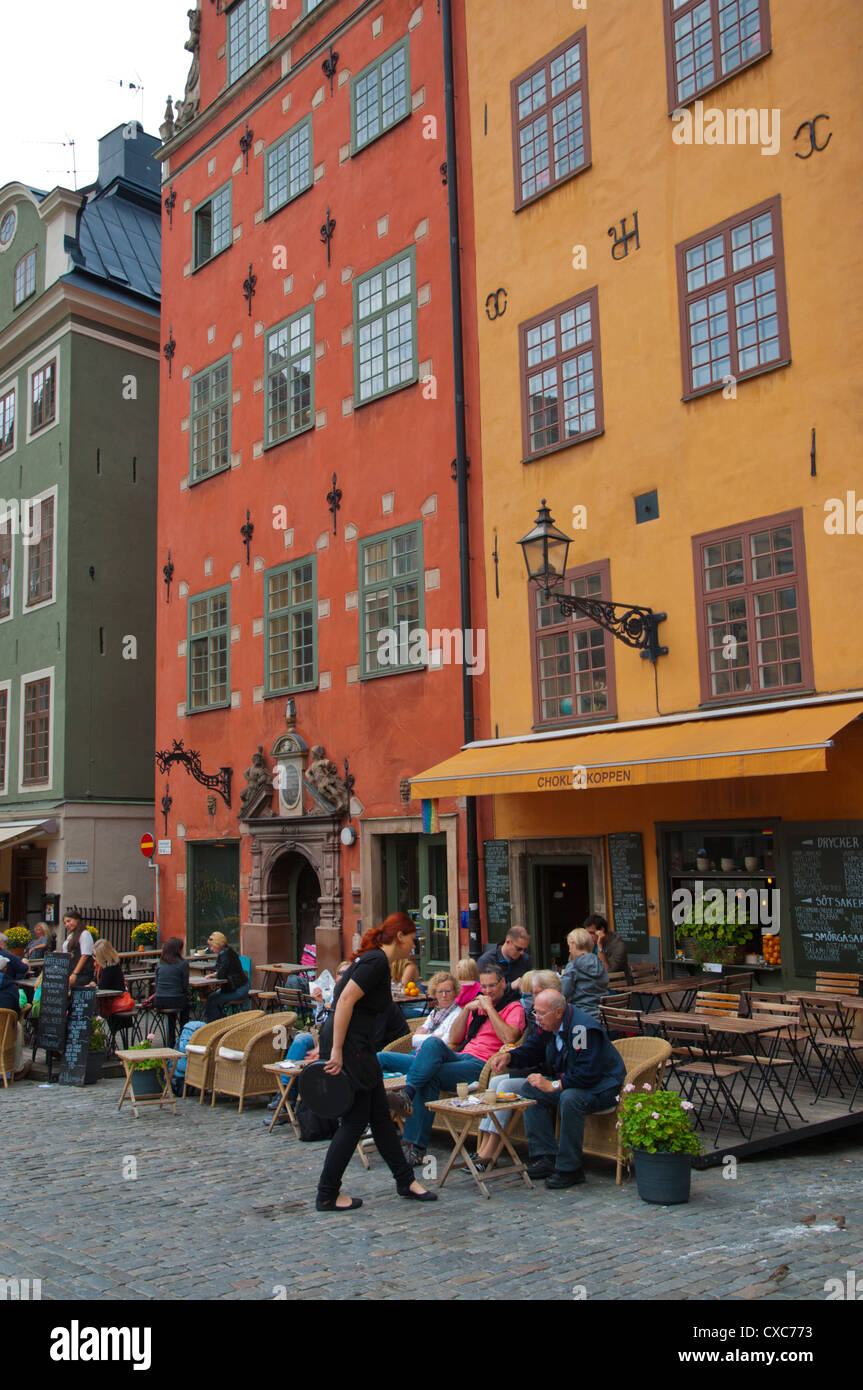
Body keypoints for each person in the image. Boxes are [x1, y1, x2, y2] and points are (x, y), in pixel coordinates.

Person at [315, 912, 436, 1211]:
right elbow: (343, 1002)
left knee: (380, 1116)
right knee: (356, 1121)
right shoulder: (377, 962)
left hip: (356, 1043)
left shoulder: (373, 960)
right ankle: (327, 1194)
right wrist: (337, 1051)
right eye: (412, 940)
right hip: (352, 1045)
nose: (414, 946)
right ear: (399, 937)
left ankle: (405, 1180)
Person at [386, 964, 526, 1165]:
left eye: (491, 986)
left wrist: (490, 1009)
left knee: (430, 1077)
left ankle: (415, 1145)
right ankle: (407, 1095)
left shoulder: (514, 1007)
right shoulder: (475, 1008)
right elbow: (455, 1037)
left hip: (482, 1064)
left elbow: (509, 1037)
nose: (486, 991)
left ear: (503, 983)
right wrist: (467, 1009)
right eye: (483, 987)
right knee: (433, 1042)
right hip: (461, 1056)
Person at [492, 989, 625, 1189]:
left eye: (541, 1013)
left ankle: (570, 1168)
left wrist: (554, 1085)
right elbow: (533, 1049)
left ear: (559, 1012)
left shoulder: (582, 1029)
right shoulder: (547, 1024)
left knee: (570, 1098)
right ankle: (545, 1157)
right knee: (530, 1089)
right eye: (535, 1012)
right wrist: (511, 1057)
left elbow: (587, 1073)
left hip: (602, 1087)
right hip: (576, 1082)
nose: (537, 1018)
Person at [472, 969, 561, 1170]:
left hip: (549, 1076)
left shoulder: (555, 1017)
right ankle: (485, 1146)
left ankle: (489, 1151)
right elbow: (532, 1047)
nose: (531, 999)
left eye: (536, 993)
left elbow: (541, 1054)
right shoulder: (538, 1015)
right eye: (531, 994)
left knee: (503, 1084)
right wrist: (510, 1056)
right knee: (495, 1082)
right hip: (536, 1068)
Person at [0, 934, 30, 1080]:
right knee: (17, 1027)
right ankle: (17, 1069)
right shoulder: (11, 987)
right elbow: (16, 1011)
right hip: (4, 1029)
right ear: (5, 970)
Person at [561, 928, 608, 1018]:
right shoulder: (600, 963)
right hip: (603, 1015)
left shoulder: (573, 966)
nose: (569, 950)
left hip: (580, 1016)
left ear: (573, 943)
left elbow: (563, 994)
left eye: (569, 946)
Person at [201, 932, 249, 1021]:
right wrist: (214, 974)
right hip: (239, 987)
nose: (211, 949)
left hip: (238, 990)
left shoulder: (225, 954)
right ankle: (220, 1022)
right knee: (212, 998)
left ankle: (216, 1026)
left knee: (212, 1000)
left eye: (212, 946)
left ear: (218, 945)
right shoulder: (228, 951)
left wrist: (216, 974)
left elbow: (221, 974)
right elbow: (224, 970)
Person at [153, 937, 191, 1046]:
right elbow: (184, 985)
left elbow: (157, 983)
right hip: (175, 999)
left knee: (172, 1013)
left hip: (159, 1000)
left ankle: (170, 1040)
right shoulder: (183, 964)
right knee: (186, 1006)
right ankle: (184, 1035)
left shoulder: (160, 963)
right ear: (178, 950)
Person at [584, 913, 633, 985]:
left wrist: (600, 946)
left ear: (601, 931)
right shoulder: (591, 942)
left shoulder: (619, 946)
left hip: (617, 985)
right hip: (596, 983)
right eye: (587, 933)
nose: (589, 937)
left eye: (592, 933)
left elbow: (608, 972)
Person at [61, 911, 96, 991]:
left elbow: (85, 955)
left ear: (77, 920)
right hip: (70, 970)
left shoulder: (84, 934)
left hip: (81, 973)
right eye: (65, 923)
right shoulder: (71, 936)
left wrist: (75, 973)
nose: (67, 925)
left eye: (69, 921)